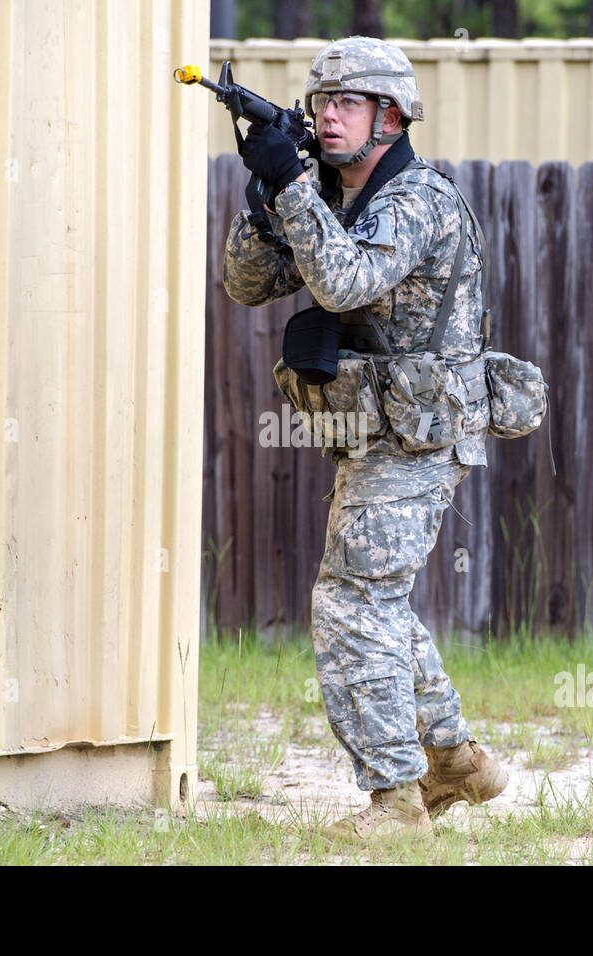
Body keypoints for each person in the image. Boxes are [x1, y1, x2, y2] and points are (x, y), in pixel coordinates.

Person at [222, 36, 508, 843]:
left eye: (347, 103)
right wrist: (263, 198)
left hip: (419, 435)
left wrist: (293, 186)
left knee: (350, 603)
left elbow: (345, 279)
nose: (327, 116)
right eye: (321, 104)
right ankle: (453, 759)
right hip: (374, 430)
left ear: (390, 116)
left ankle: (396, 802)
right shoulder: (333, 199)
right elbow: (246, 285)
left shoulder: (417, 201)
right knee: (378, 600)